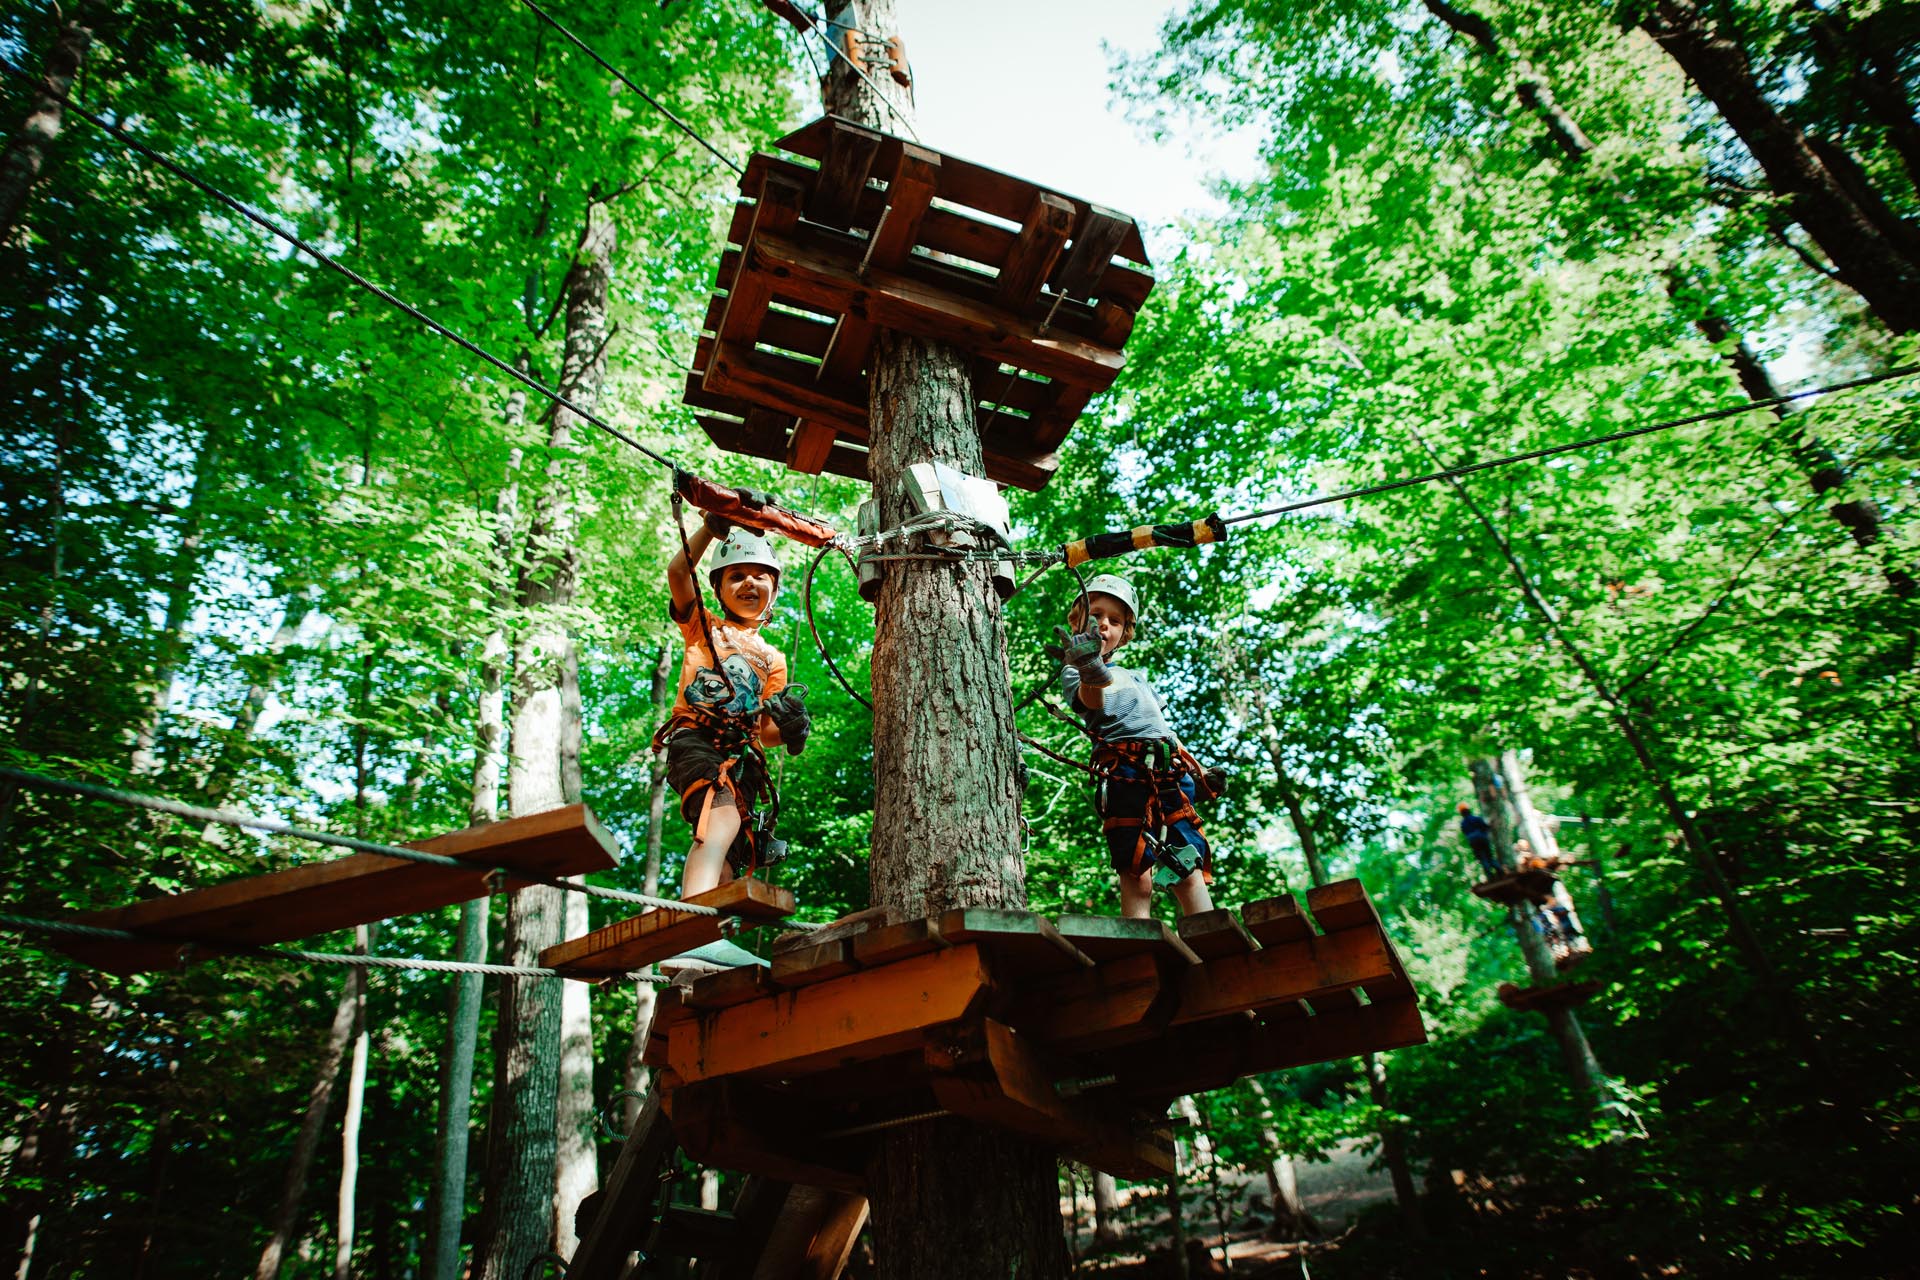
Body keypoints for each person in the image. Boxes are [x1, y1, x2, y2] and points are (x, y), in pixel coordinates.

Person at [661, 513, 811, 906]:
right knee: (721, 818)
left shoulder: (774, 659)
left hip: (743, 759)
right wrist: (710, 529)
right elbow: (678, 573)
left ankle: (707, 939)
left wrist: (793, 728)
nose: (748, 582)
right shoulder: (704, 625)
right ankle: (691, 919)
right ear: (718, 589)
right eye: (736, 576)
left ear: (773, 590)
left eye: (760, 576)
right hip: (697, 739)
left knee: (728, 855)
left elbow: (767, 733)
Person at [1057, 573, 1218, 920]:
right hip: (1125, 771)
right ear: (1076, 621)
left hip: (1169, 772)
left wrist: (1200, 771)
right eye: (1095, 615)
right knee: (1136, 872)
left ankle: (1211, 938)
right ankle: (1139, 942)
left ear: (1124, 634)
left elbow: (1164, 729)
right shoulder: (1075, 672)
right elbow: (1091, 701)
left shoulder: (1136, 676)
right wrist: (1090, 670)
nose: (1104, 624)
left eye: (1114, 621)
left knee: (1187, 868)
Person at [1458, 802, 1502, 878]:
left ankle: (1490, 876)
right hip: (1482, 838)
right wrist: (1490, 825)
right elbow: (1485, 827)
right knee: (1489, 856)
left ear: (1461, 813)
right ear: (1468, 810)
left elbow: (1465, 833)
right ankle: (1500, 871)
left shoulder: (1463, 824)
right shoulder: (1476, 818)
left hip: (1473, 841)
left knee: (1482, 858)